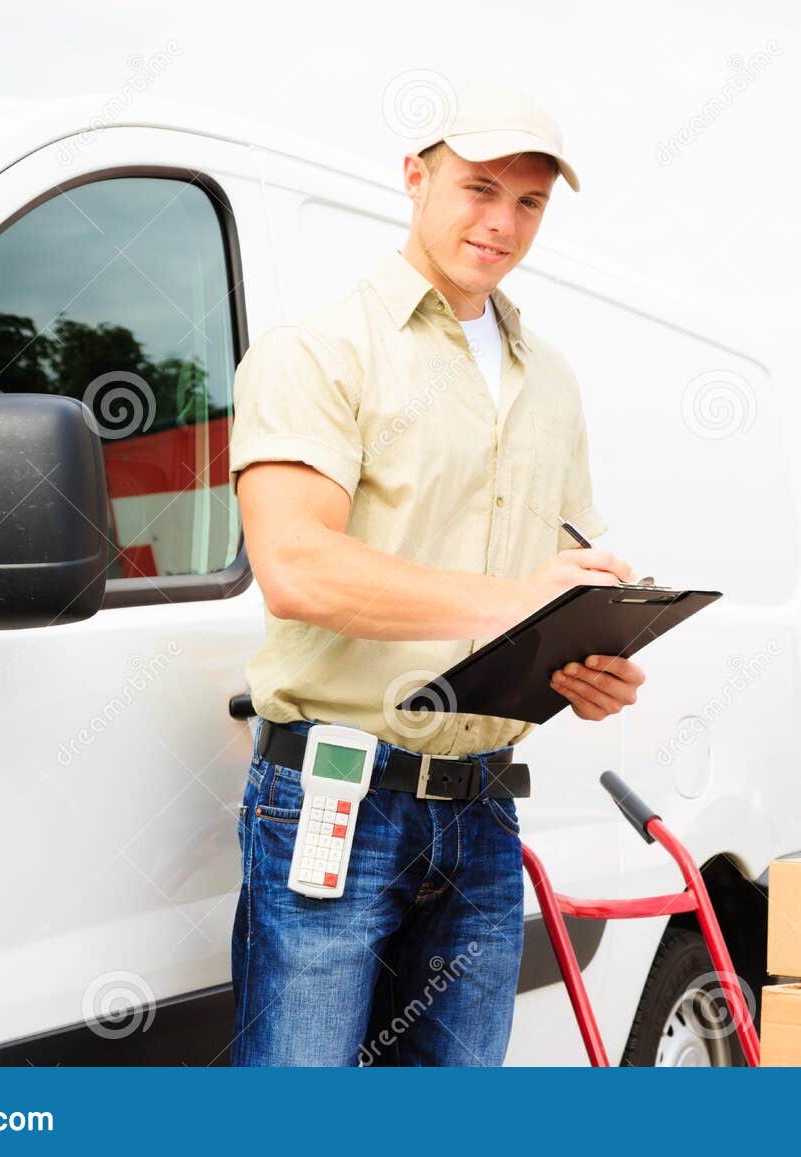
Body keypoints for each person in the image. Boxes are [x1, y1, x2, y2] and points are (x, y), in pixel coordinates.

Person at [227, 83, 646, 1066]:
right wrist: (519, 601)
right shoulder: (318, 351)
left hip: (483, 808)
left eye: (530, 202)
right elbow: (295, 568)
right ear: (415, 177)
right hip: (336, 796)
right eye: (479, 188)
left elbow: (557, 578)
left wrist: (588, 662)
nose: (501, 223)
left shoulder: (552, 383)